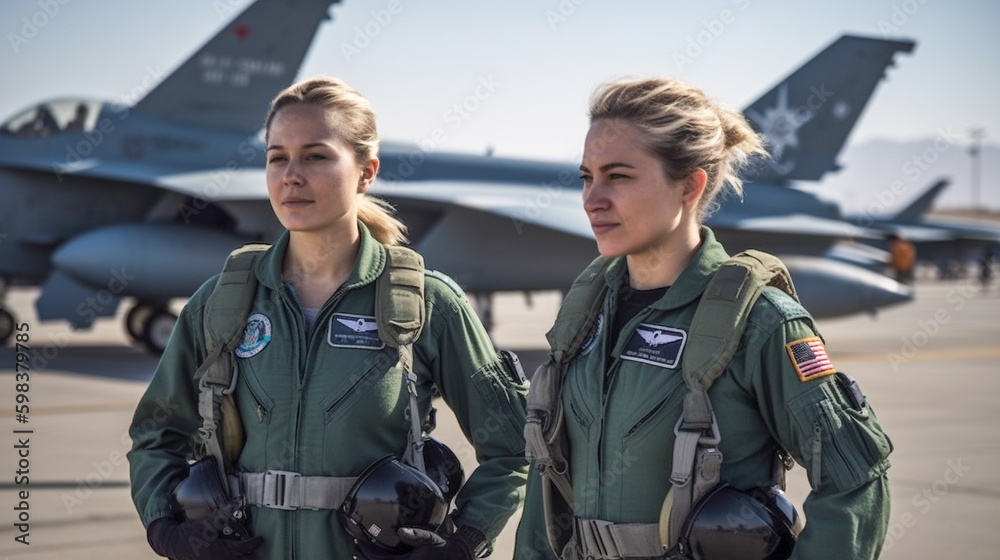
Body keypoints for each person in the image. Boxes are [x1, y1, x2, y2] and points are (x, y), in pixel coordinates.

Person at [128, 76, 529, 560]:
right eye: (277, 157)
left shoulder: (428, 304)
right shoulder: (221, 303)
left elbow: (513, 449)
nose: (291, 175)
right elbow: (156, 435)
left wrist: (465, 542)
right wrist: (164, 529)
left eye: (316, 156)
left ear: (366, 172)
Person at [513, 77, 893, 560]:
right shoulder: (584, 318)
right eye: (587, 176)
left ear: (689, 185)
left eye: (619, 176)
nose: (592, 199)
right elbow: (545, 483)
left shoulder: (759, 322)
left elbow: (855, 481)